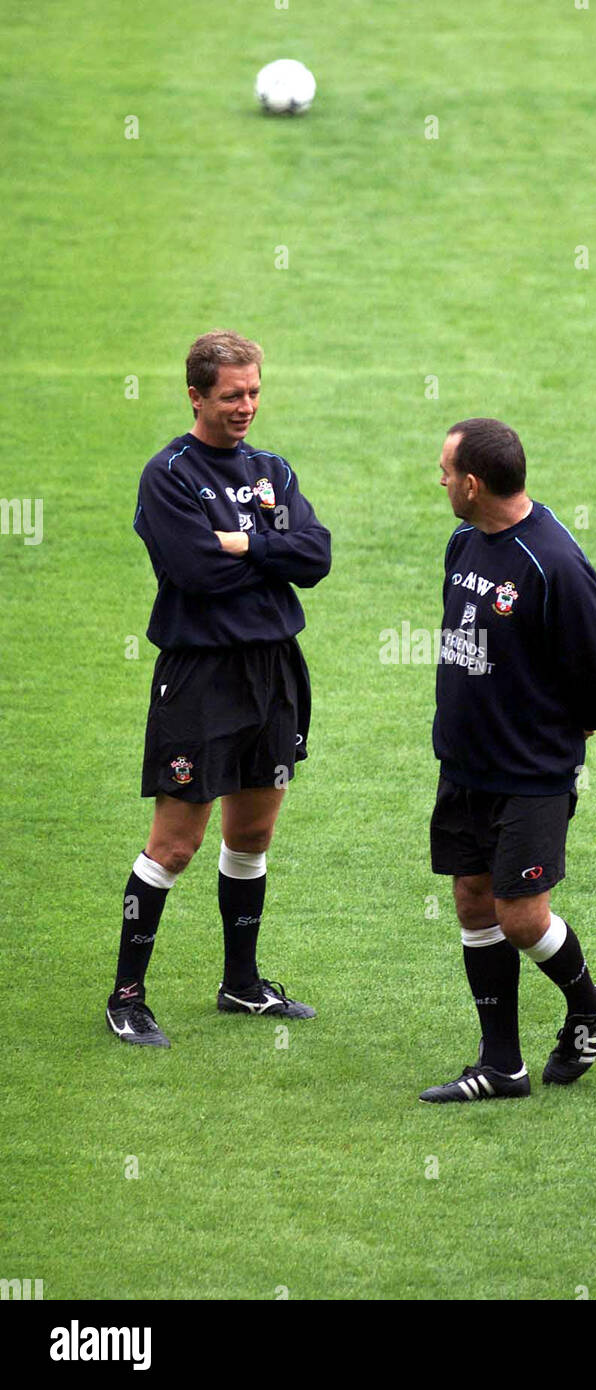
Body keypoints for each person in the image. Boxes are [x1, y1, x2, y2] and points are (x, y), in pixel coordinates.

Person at [106, 330, 331, 1047]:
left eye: (255, 392)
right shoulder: (168, 474)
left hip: (273, 672)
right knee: (175, 845)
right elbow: (196, 573)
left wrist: (240, 542)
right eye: (232, 395)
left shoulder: (272, 469)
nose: (246, 407)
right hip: (202, 676)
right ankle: (127, 995)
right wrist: (268, 552)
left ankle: (241, 983)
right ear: (196, 395)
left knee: (254, 833)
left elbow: (316, 556)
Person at [422, 418, 596, 1102]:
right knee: (474, 902)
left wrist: (561, 739)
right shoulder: (463, 543)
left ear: (473, 483)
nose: (441, 481)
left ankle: (589, 1001)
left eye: (447, 471)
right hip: (464, 767)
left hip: (531, 776)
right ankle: (501, 1066)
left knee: (521, 916)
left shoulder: (554, 565)